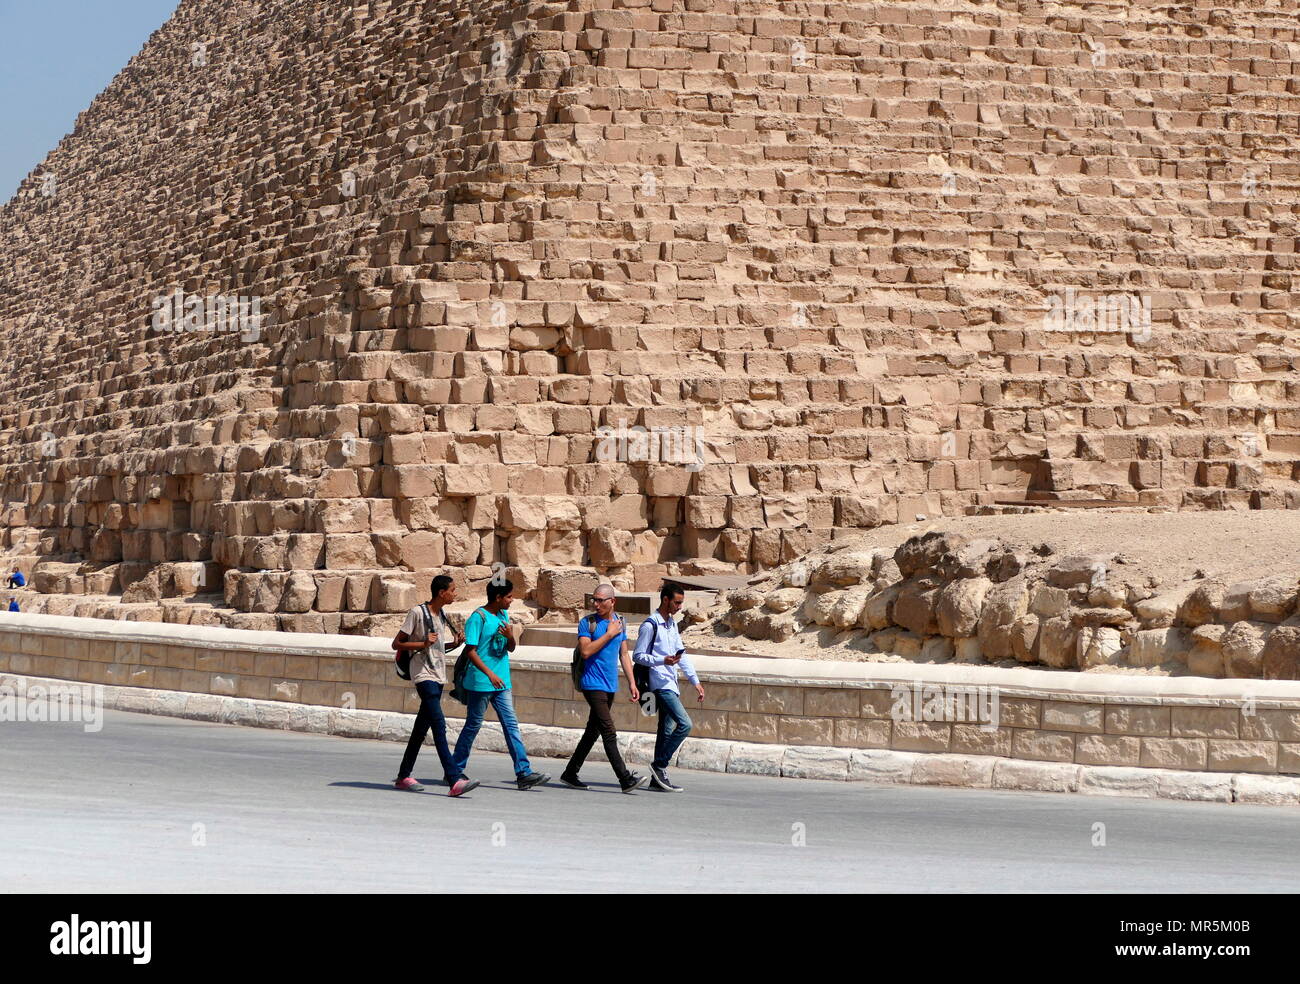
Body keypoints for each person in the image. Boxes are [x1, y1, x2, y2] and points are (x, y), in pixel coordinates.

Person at [448, 578, 550, 790]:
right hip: (481, 683)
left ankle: (524, 772)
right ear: (498, 597)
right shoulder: (478, 618)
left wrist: (510, 637)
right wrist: (490, 674)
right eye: (509, 596)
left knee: (511, 725)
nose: (512, 601)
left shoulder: (503, 615)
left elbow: (510, 648)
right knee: (473, 725)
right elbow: (470, 651)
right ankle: (454, 770)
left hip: (502, 682)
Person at [392, 574, 478, 796]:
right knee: (439, 726)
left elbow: (436, 647)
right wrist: (422, 642)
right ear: (442, 592)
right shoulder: (417, 613)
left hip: (438, 675)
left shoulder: (441, 615)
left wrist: (453, 643)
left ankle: (403, 776)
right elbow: (397, 643)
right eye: (452, 589)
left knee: (421, 729)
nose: (455, 593)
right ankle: (453, 779)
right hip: (423, 675)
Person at [561, 583, 648, 793]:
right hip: (592, 683)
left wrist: (632, 682)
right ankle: (624, 778)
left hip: (610, 684)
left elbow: (624, 653)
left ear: (612, 601)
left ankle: (570, 773)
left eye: (600, 600)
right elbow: (586, 652)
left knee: (593, 731)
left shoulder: (620, 623)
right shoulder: (587, 623)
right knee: (609, 731)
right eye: (594, 599)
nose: (596, 604)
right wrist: (608, 634)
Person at [632, 582, 705, 792]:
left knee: (666, 730)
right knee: (685, 724)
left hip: (671, 683)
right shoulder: (650, 625)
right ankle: (659, 764)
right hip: (659, 684)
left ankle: (658, 779)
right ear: (665, 600)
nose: (680, 607)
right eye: (677, 602)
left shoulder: (672, 624)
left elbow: (681, 655)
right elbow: (638, 655)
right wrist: (662, 660)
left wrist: (695, 681)